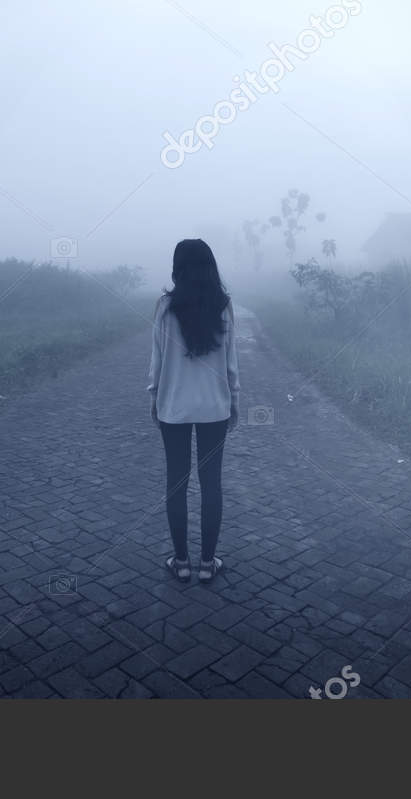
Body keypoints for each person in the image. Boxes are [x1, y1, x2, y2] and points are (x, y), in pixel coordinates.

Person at [146, 239, 239, 584]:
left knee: (177, 483)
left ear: (177, 267)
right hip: (215, 407)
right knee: (211, 484)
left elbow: (156, 362)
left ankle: (181, 562)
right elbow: (232, 364)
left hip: (173, 408)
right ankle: (207, 563)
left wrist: (154, 399)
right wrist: (236, 403)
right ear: (210, 266)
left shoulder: (164, 307)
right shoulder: (224, 306)